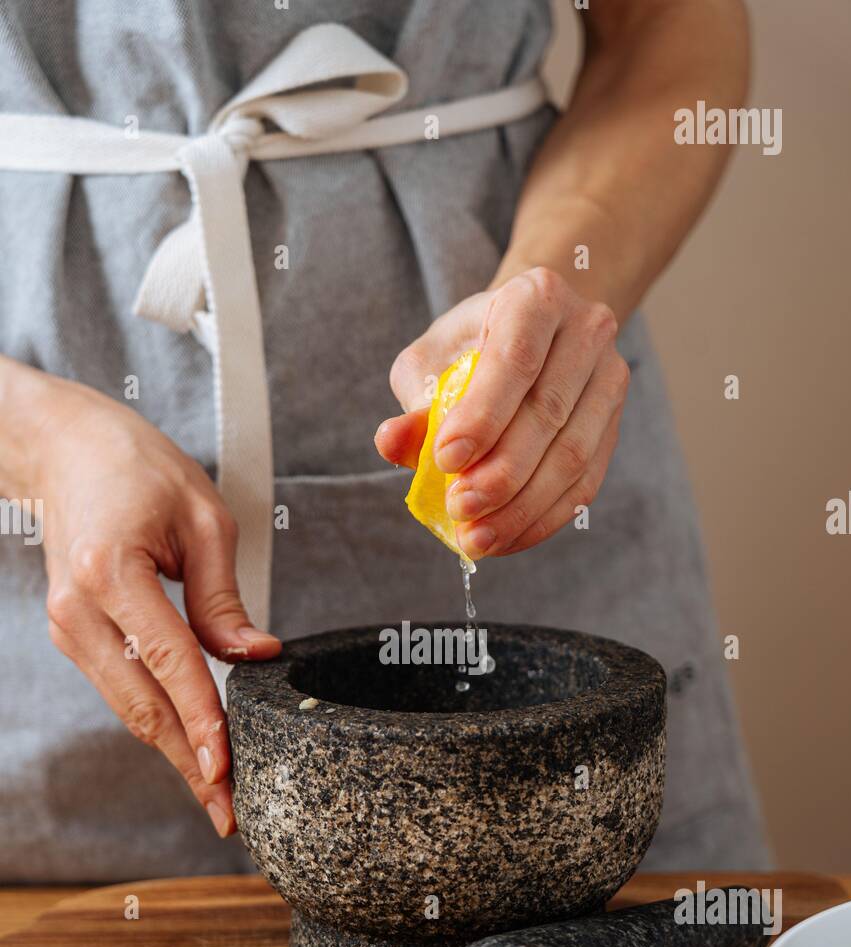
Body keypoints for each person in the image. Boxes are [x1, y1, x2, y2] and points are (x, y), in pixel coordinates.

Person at [0, 0, 769, 883]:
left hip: (548, 509)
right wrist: (31, 440)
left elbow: (668, 27)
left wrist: (549, 289)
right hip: (42, 680)